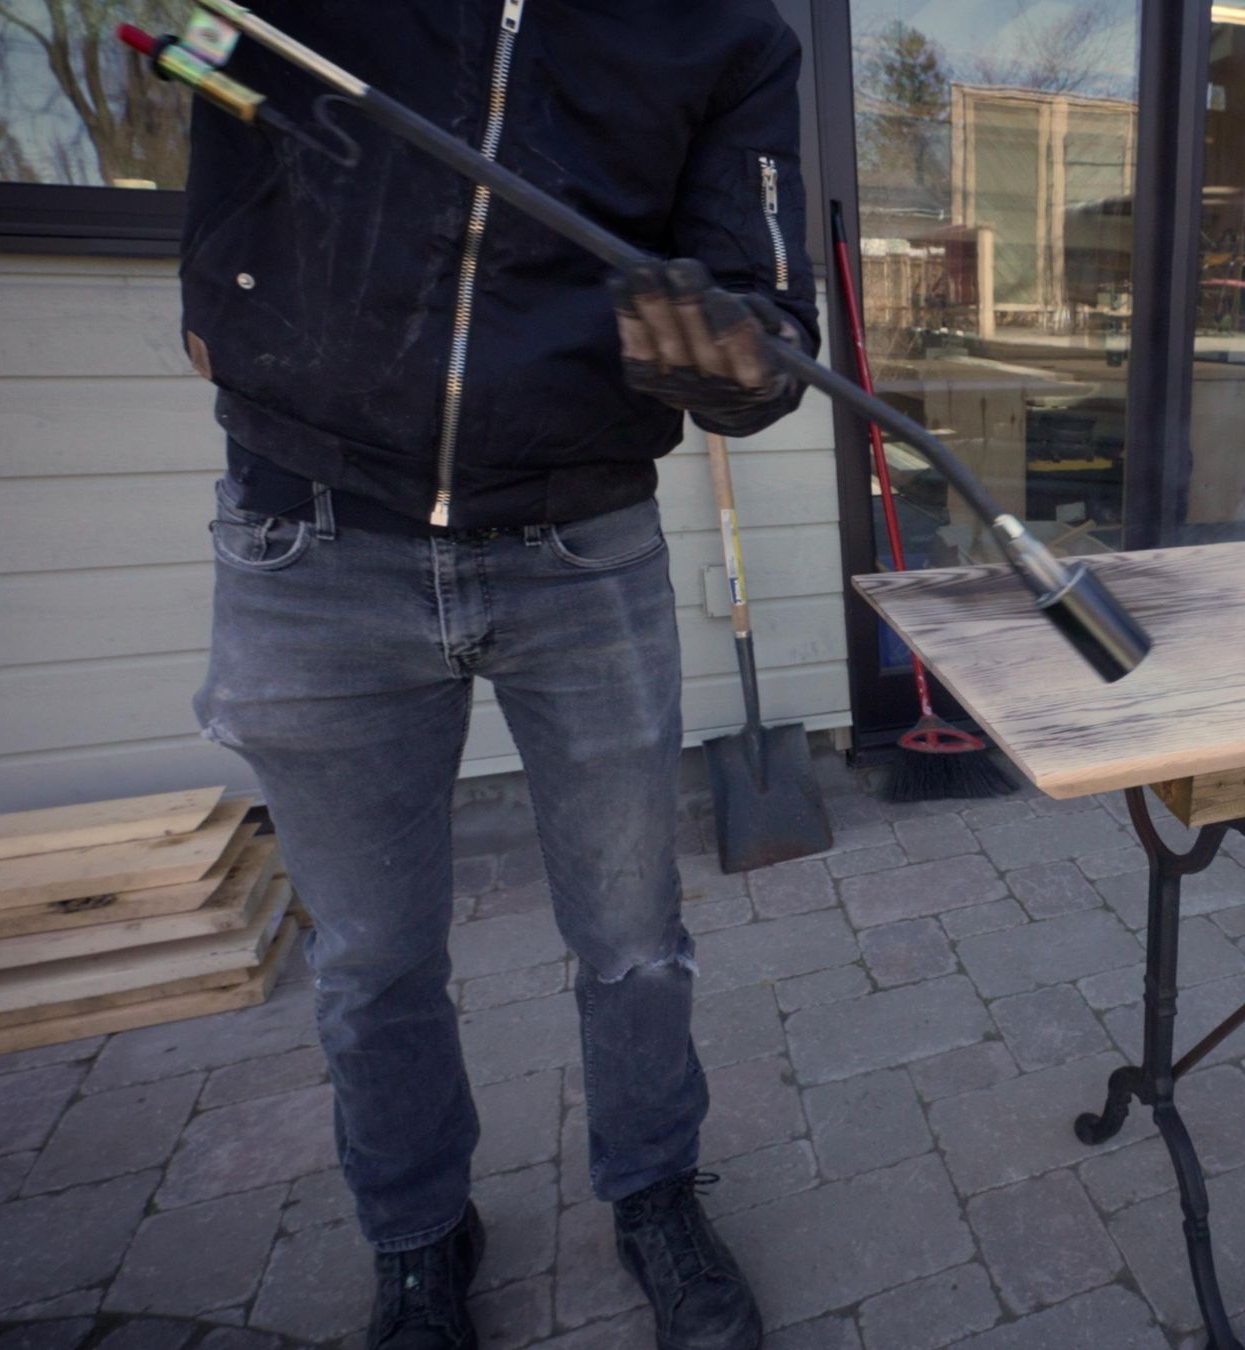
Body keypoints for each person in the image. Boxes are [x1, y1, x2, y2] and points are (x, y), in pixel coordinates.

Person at [179, 5, 817, 1348]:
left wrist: (732, 359)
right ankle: (419, 1235)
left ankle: (653, 1195)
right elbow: (219, 96)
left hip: (578, 542)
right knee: (371, 958)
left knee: (634, 937)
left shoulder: (728, 35)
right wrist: (223, 309)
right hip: (314, 533)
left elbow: (764, 322)